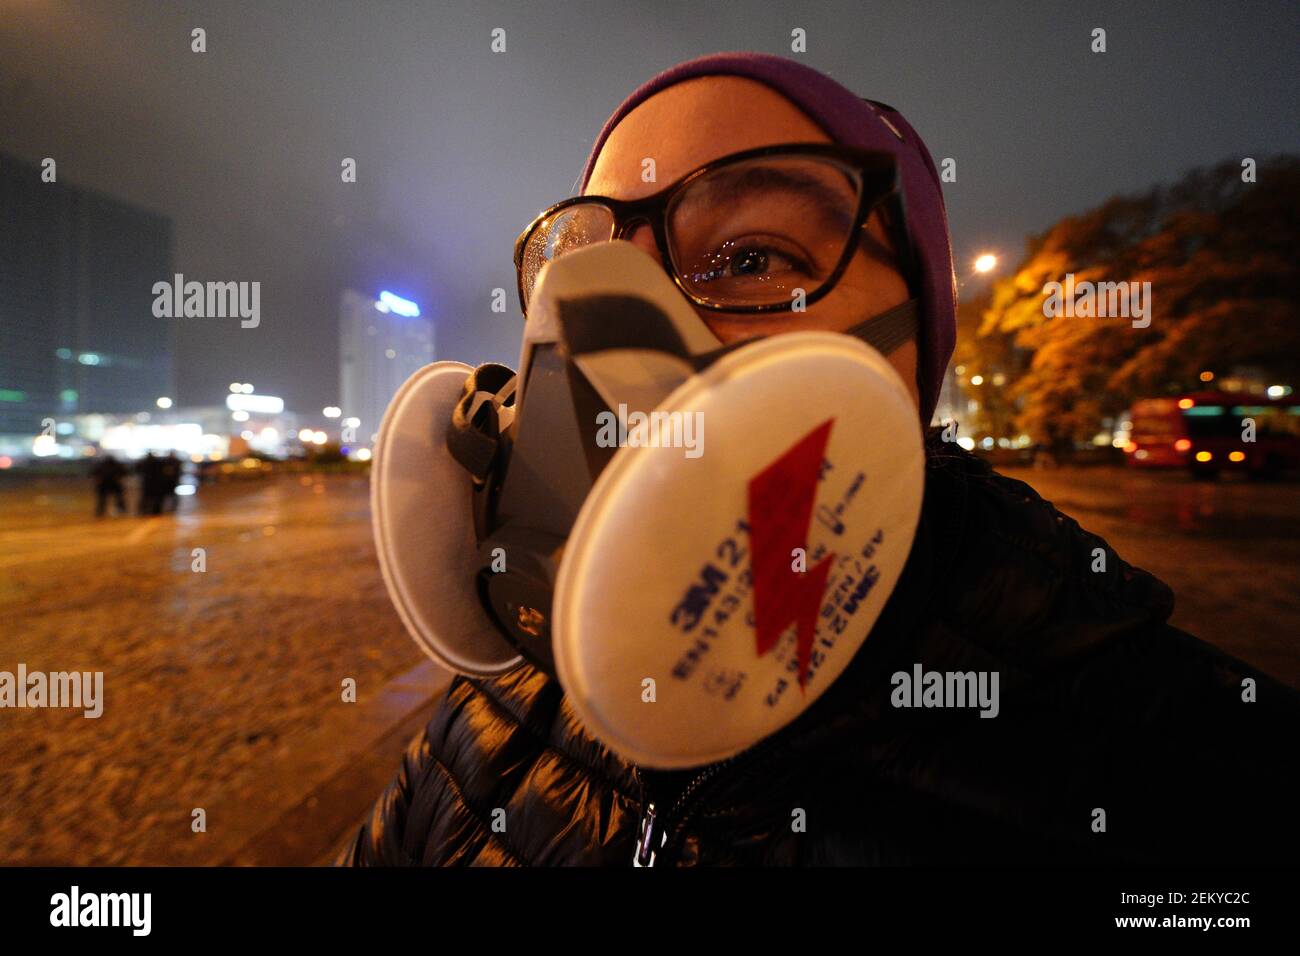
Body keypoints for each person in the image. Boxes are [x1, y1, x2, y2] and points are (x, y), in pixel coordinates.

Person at [339, 53, 1298, 867]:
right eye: (580, 283)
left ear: (917, 334)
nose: (607, 343)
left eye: (749, 257)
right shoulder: (495, 718)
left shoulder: (1178, 758)